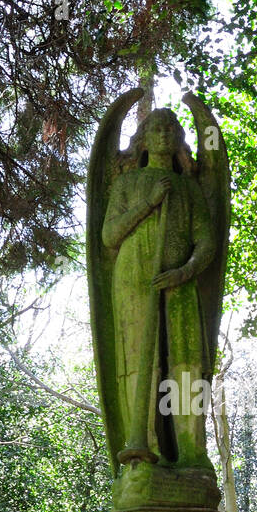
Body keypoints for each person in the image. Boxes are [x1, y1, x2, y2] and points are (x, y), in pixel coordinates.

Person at [102, 108, 216, 467]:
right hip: (134, 275)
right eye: (155, 128)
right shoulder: (127, 184)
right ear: (144, 140)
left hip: (180, 280)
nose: (164, 133)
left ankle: (191, 453)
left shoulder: (187, 187)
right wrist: (147, 203)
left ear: (179, 138)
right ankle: (143, 448)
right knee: (139, 359)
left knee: (186, 362)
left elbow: (206, 239)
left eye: (171, 128)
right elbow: (109, 236)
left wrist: (187, 271)